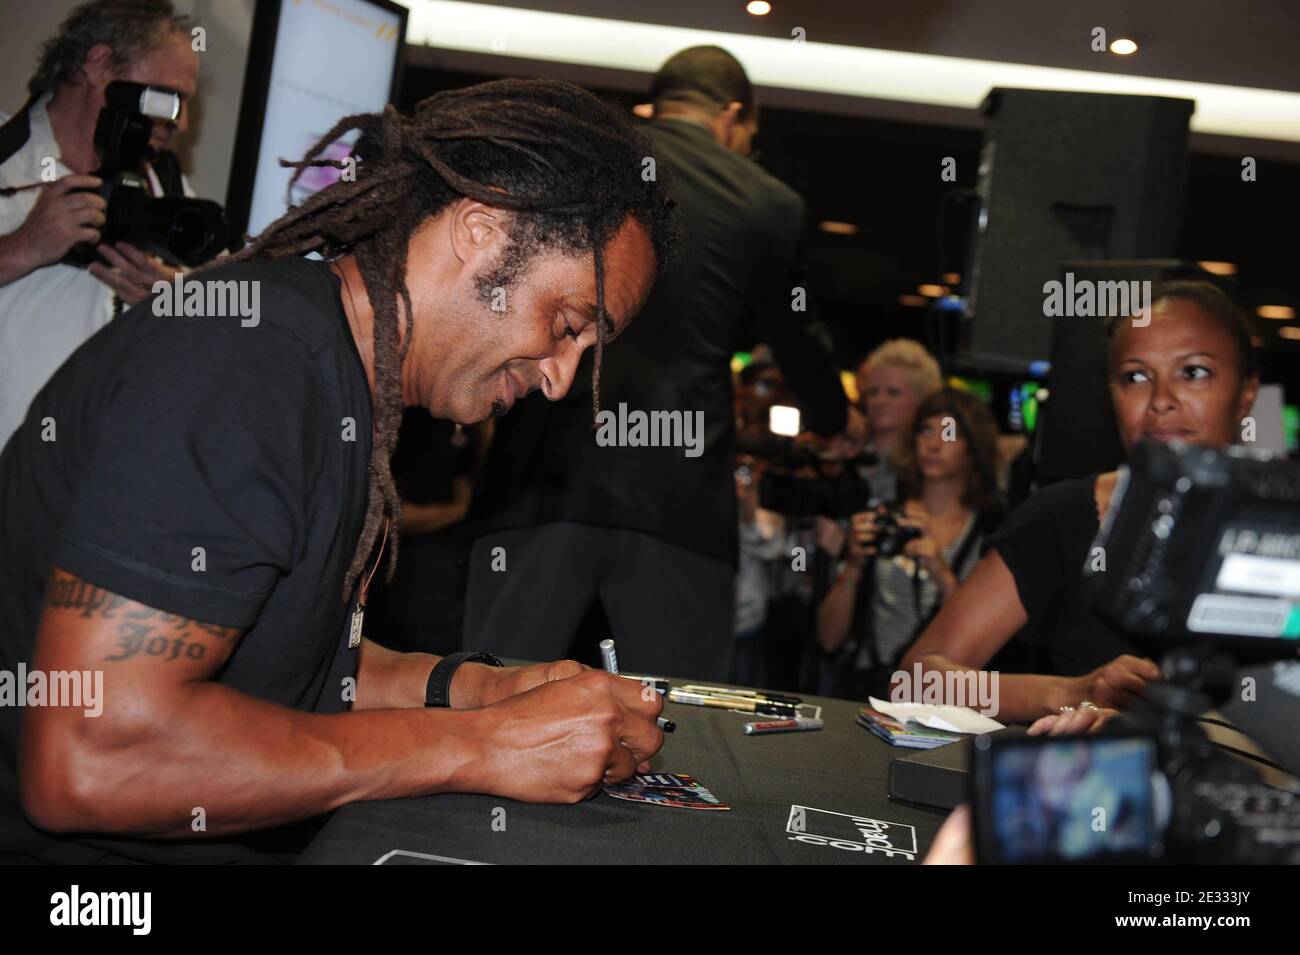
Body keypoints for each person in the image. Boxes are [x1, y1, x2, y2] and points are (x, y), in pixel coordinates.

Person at [0, 78, 675, 863]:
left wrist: (479, 690)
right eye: (565, 325)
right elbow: (92, 755)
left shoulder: (347, 381)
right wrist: (479, 743)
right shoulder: (244, 369)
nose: (561, 378)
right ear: (481, 231)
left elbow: (293, 657)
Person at [463, 46, 858, 680]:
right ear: (734, 115)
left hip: (542, 472)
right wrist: (834, 418)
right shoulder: (767, 201)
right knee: (681, 724)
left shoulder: (584, 158)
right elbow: (798, 339)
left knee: (492, 692)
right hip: (679, 497)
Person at [901, 281, 1261, 723]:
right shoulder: (1063, 517)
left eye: (1194, 373)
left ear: (1246, 394)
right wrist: (1071, 692)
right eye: (1136, 377)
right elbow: (916, 680)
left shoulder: (1284, 528)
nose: (1162, 401)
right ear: (1113, 396)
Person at [0, 0, 199, 447]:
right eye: (172, 98)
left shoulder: (167, 187)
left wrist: (179, 300)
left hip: (90, 494)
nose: (182, 122)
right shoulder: (5, 158)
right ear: (100, 63)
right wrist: (23, 246)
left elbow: (236, 310)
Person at [818, 388, 1003, 698]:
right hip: (872, 688)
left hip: (945, 696)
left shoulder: (989, 533)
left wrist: (941, 574)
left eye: (949, 433)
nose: (933, 444)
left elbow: (990, 646)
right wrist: (853, 564)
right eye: (926, 430)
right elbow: (828, 638)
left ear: (974, 447)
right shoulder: (884, 519)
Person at [853, 338, 944, 507]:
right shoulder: (847, 452)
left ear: (920, 400)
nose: (879, 400)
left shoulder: (930, 463)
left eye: (893, 393)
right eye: (873, 392)